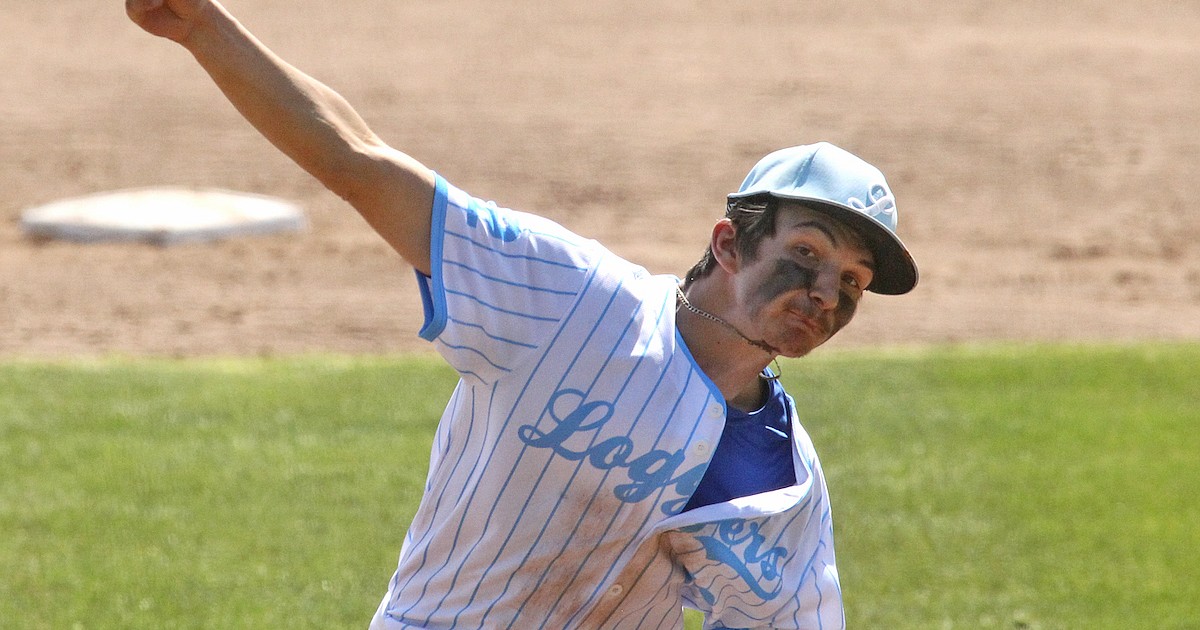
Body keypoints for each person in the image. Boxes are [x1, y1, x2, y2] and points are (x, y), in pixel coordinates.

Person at [126, 1, 919, 627]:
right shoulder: (569, 300)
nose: (826, 293)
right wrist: (201, 23)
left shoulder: (782, 480)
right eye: (808, 253)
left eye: (853, 281)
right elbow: (359, 162)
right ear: (729, 243)